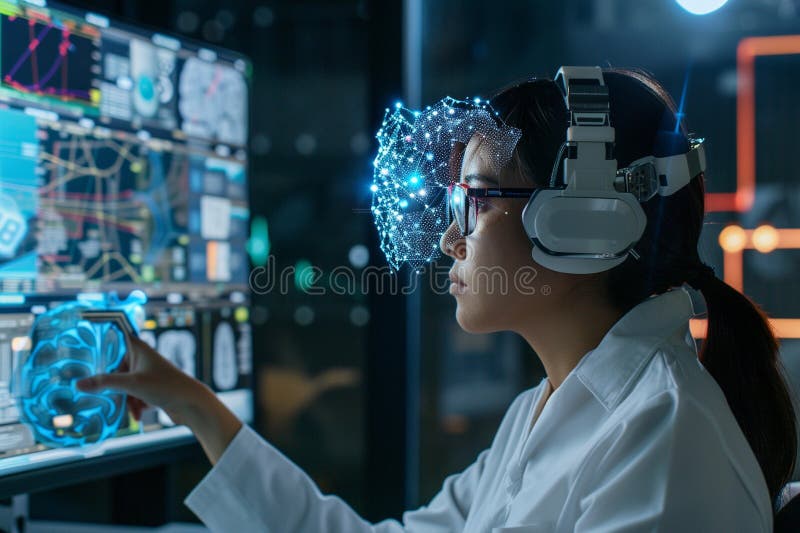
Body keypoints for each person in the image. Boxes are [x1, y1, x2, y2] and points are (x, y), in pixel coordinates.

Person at [77, 68, 797, 532]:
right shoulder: (545, 411)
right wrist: (196, 405)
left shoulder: (663, 439)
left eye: (477, 203)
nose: (453, 240)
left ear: (584, 222)